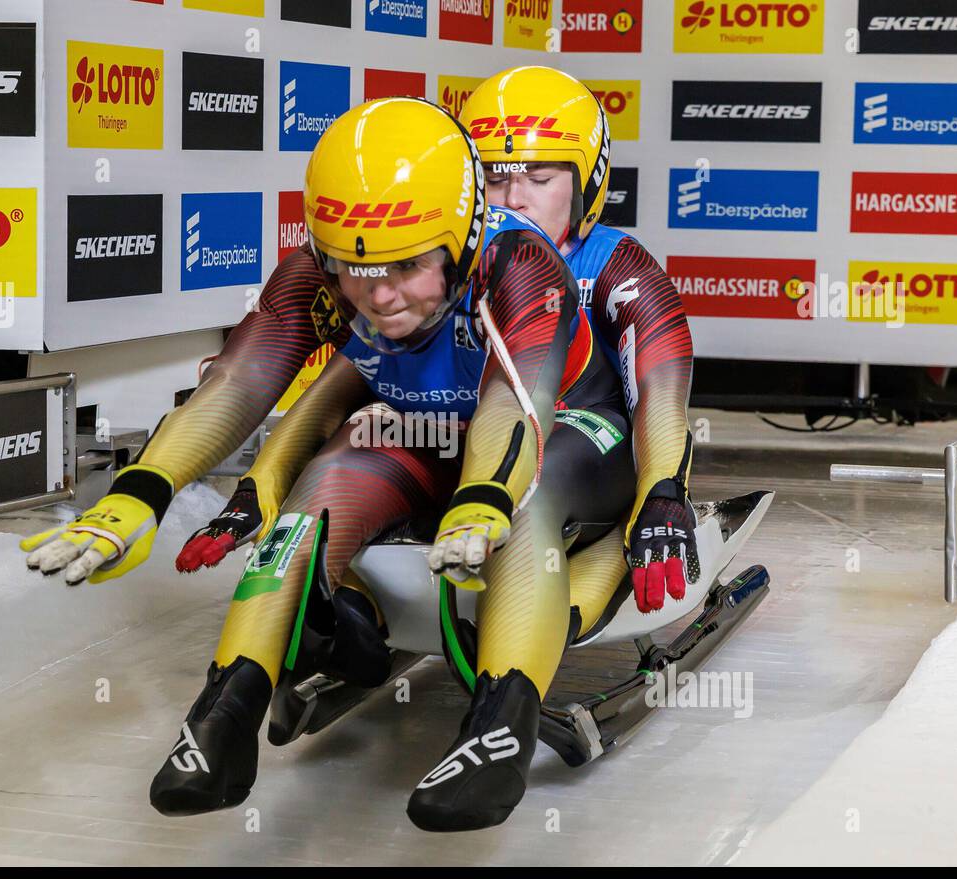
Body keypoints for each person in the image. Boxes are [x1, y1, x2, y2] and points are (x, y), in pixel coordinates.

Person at [141, 97, 636, 831]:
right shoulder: (349, 278)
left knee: (531, 496)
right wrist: (233, 488)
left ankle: (500, 720)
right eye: (356, 268)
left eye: (538, 175)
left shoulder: (541, 262)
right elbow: (288, 392)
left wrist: (661, 493)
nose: (377, 294)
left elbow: (528, 405)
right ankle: (228, 701)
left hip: (559, 428)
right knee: (332, 478)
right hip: (443, 433)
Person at [460, 65, 699, 617]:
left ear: (586, 185)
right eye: (495, 178)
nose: (513, 199)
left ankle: (567, 593)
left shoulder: (615, 260)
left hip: (593, 452)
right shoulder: (442, 262)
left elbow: (660, 386)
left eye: (539, 179)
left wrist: (662, 488)